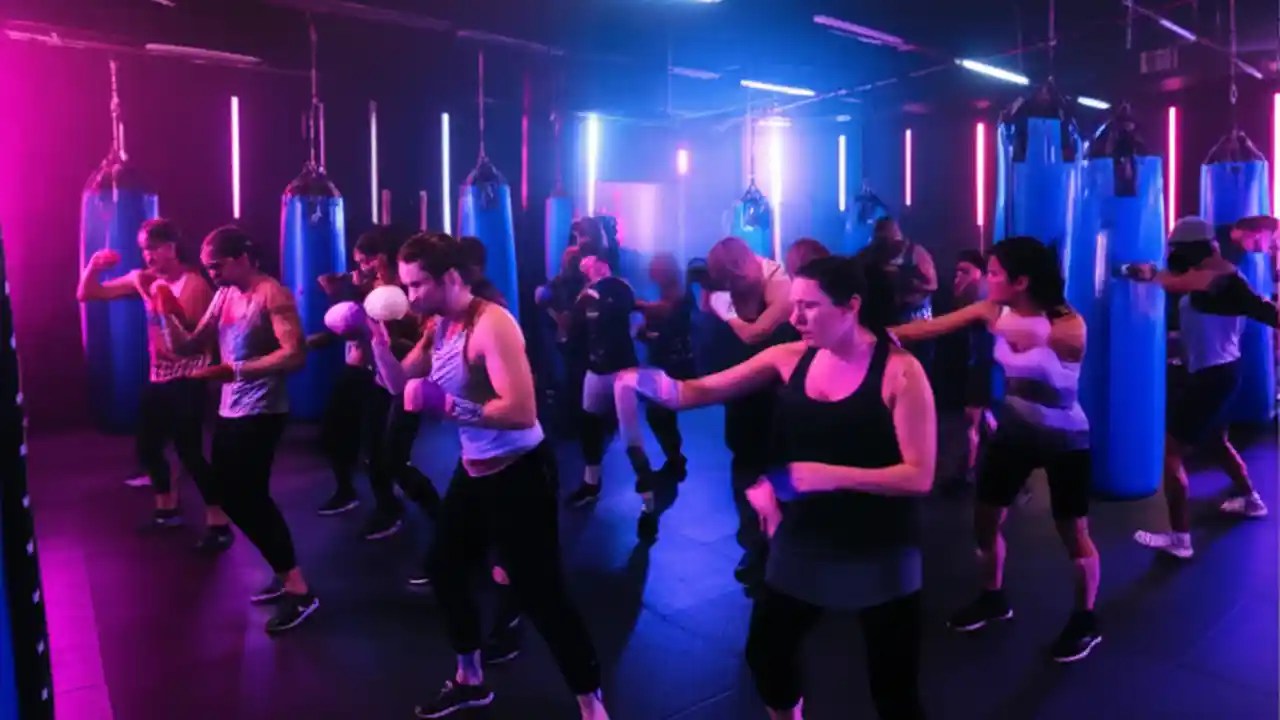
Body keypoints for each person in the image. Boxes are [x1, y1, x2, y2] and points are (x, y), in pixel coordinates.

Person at [616, 256, 933, 719]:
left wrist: (825, 474)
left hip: (880, 545)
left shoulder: (901, 373)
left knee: (894, 690)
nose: (794, 317)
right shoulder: (788, 358)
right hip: (804, 540)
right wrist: (638, 380)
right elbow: (694, 392)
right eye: (794, 305)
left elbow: (919, 475)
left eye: (809, 306)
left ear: (851, 306)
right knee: (767, 655)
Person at [367, 233, 607, 720]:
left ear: (451, 277)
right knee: (444, 565)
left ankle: (592, 705)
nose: (410, 296)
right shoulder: (441, 326)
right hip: (473, 470)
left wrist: (451, 405)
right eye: (406, 285)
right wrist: (374, 344)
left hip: (520, 471)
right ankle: (470, 680)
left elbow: (521, 410)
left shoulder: (492, 324)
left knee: (543, 595)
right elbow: (399, 385)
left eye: (418, 284)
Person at [891, 236, 1102, 663]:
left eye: (993, 274)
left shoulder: (1068, 323)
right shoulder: (993, 311)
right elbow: (930, 326)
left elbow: (1038, 335)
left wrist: (993, 319)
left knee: (1073, 533)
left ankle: (1085, 619)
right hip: (1014, 433)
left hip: (1066, 438)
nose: (986, 281)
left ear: (1021, 281)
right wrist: (877, 335)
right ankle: (993, 597)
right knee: (984, 520)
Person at [158, 226, 319, 633]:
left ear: (243, 258)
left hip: (263, 411)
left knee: (246, 497)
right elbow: (191, 345)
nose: (212, 273)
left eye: (218, 265)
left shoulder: (272, 293)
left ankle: (299, 589)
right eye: (208, 267)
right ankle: (284, 573)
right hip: (232, 410)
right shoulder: (226, 294)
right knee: (236, 497)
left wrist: (238, 370)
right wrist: (164, 311)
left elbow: (295, 354)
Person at [76, 218, 231, 548]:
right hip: (158, 378)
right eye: (144, 250)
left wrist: (165, 305)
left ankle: (219, 522)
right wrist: (92, 266)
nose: (148, 256)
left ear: (171, 248)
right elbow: (87, 294)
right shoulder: (144, 279)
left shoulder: (194, 284)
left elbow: (193, 339)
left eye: (153, 249)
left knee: (190, 453)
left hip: (189, 377)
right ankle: (167, 510)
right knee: (147, 447)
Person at [1127, 217, 1275, 558]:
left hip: (1213, 377)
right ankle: (1251, 500)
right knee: (1217, 440)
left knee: (1171, 453)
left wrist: (1151, 275)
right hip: (1219, 372)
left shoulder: (1222, 278)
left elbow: (1182, 285)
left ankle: (1180, 538)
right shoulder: (1212, 278)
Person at [316, 226, 438, 541]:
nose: (362, 268)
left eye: (366, 261)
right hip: (375, 373)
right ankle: (352, 491)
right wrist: (341, 294)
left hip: (395, 376)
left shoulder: (407, 296)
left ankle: (400, 512)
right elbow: (358, 326)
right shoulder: (370, 286)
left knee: (387, 455)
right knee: (340, 435)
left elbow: (405, 338)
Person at [701, 236, 798, 587]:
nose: (732, 286)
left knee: (785, 472)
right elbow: (713, 352)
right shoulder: (724, 291)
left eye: (735, 279)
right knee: (746, 470)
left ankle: (785, 549)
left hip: (781, 397)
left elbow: (755, 334)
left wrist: (725, 311)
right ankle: (755, 546)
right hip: (743, 398)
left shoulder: (778, 282)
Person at [562, 247, 659, 539]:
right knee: (589, 425)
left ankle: (649, 505)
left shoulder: (619, 287)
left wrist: (597, 294)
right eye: (582, 261)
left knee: (631, 440)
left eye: (589, 259)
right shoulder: (585, 295)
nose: (584, 263)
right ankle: (591, 485)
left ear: (602, 264)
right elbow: (574, 329)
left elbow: (622, 307)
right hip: (596, 370)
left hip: (622, 372)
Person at [634, 252, 695, 481]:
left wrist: (638, 306)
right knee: (659, 413)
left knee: (659, 412)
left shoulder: (680, 294)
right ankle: (674, 457)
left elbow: (667, 311)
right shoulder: (669, 292)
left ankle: (675, 458)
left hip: (675, 363)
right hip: (664, 360)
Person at [952, 249, 998, 488]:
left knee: (973, 418)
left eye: (965, 271)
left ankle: (967, 471)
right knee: (984, 418)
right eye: (957, 272)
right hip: (980, 363)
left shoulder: (980, 292)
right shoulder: (975, 295)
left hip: (982, 364)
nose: (959, 276)